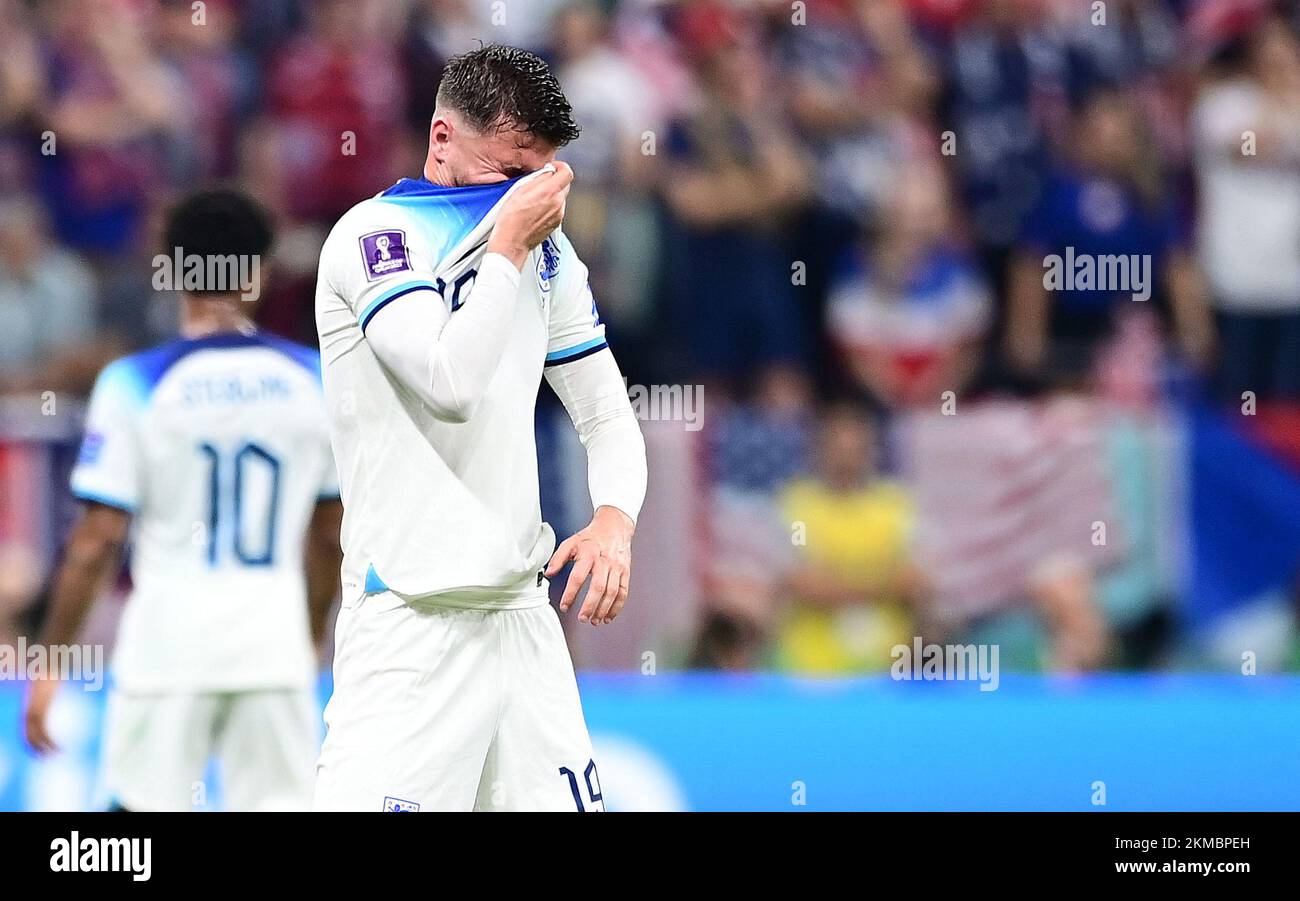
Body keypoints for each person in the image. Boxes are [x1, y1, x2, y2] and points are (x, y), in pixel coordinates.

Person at [312, 45, 647, 812]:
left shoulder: (548, 254)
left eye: (541, 176)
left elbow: (604, 413)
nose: (529, 197)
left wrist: (612, 521)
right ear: (441, 139)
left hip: (523, 618)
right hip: (410, 622)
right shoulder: (374, 237)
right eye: (508, 172)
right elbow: (449, 382)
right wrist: (506, 248)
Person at [23, 189, 343, 811]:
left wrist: (52, 660)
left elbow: (96, 541)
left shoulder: (135, 383)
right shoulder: (314, 380)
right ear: (258, 274)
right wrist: (304, 638)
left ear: (171, 269)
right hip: (271, 652)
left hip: (168, 652)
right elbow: (330, 534)